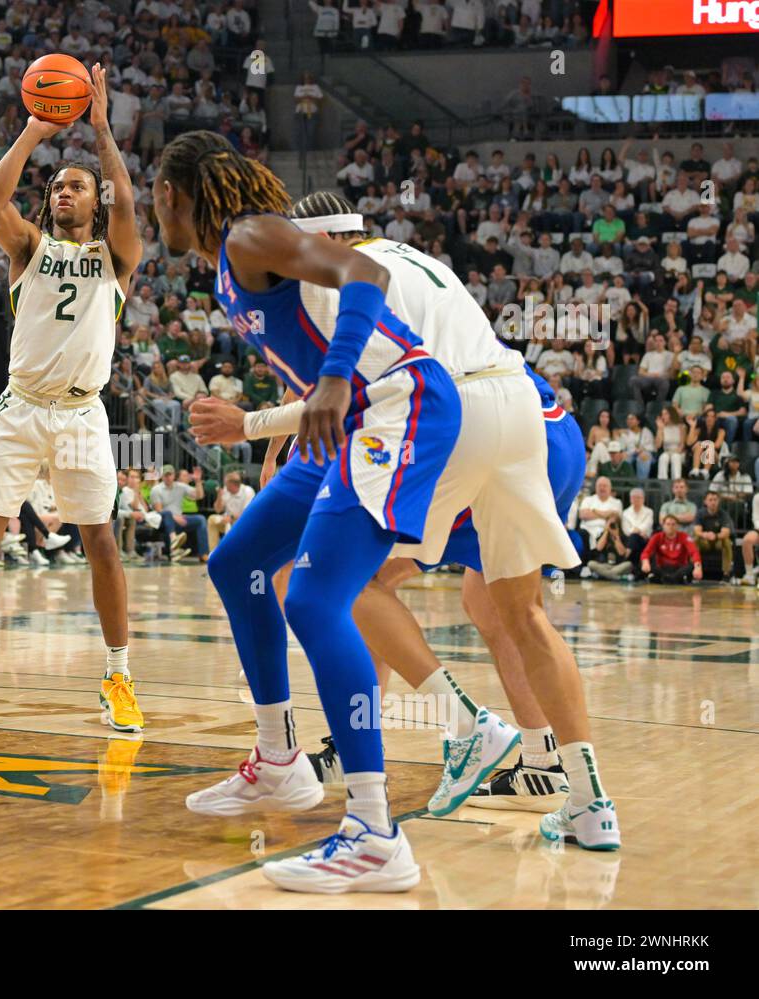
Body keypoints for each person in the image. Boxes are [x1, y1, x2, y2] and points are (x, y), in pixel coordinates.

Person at [194, 189, 619, 854]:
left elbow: (365, 390)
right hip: (530, 412)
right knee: (513, 610)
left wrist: (251, 425)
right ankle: (586, 799)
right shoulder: (412, 256)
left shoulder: (338, 283)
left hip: (456, 417)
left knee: (343, 583)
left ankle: (465, 727)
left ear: (315, 242)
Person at [154, 134, 462, 894]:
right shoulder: (232, 255)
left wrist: (331, 379)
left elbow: (366, 270)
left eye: (154, 190)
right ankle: (280, 760)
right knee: (238, 562)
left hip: (396, 404)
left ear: (170, 192)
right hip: (348, 422)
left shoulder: (250, 234)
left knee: (317, 600)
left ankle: (374, 831)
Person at [0, 65, 144, 733]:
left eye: (76, 186)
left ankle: (118, 675)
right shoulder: (27, 247)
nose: (62, 193)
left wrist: (102, 132)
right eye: (56, 187)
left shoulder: (117, 256)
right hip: (20, 407)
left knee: (101, 540)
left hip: (82, 413)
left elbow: (128, 207)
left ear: (95, 201)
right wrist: (32, 131)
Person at [641, 515, 703, 584]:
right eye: (668, 524)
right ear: (663, 526)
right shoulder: (657, 537)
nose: (670, 527)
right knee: (645, 563)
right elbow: (646, 552)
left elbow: (694, 552)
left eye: (673, 524)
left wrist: (698, 567)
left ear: (678, 526)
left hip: (679, 568)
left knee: (691, 566)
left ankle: (667, 579)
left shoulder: (684, 536)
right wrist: (645, 562)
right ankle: (671, 579)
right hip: (662, 568)